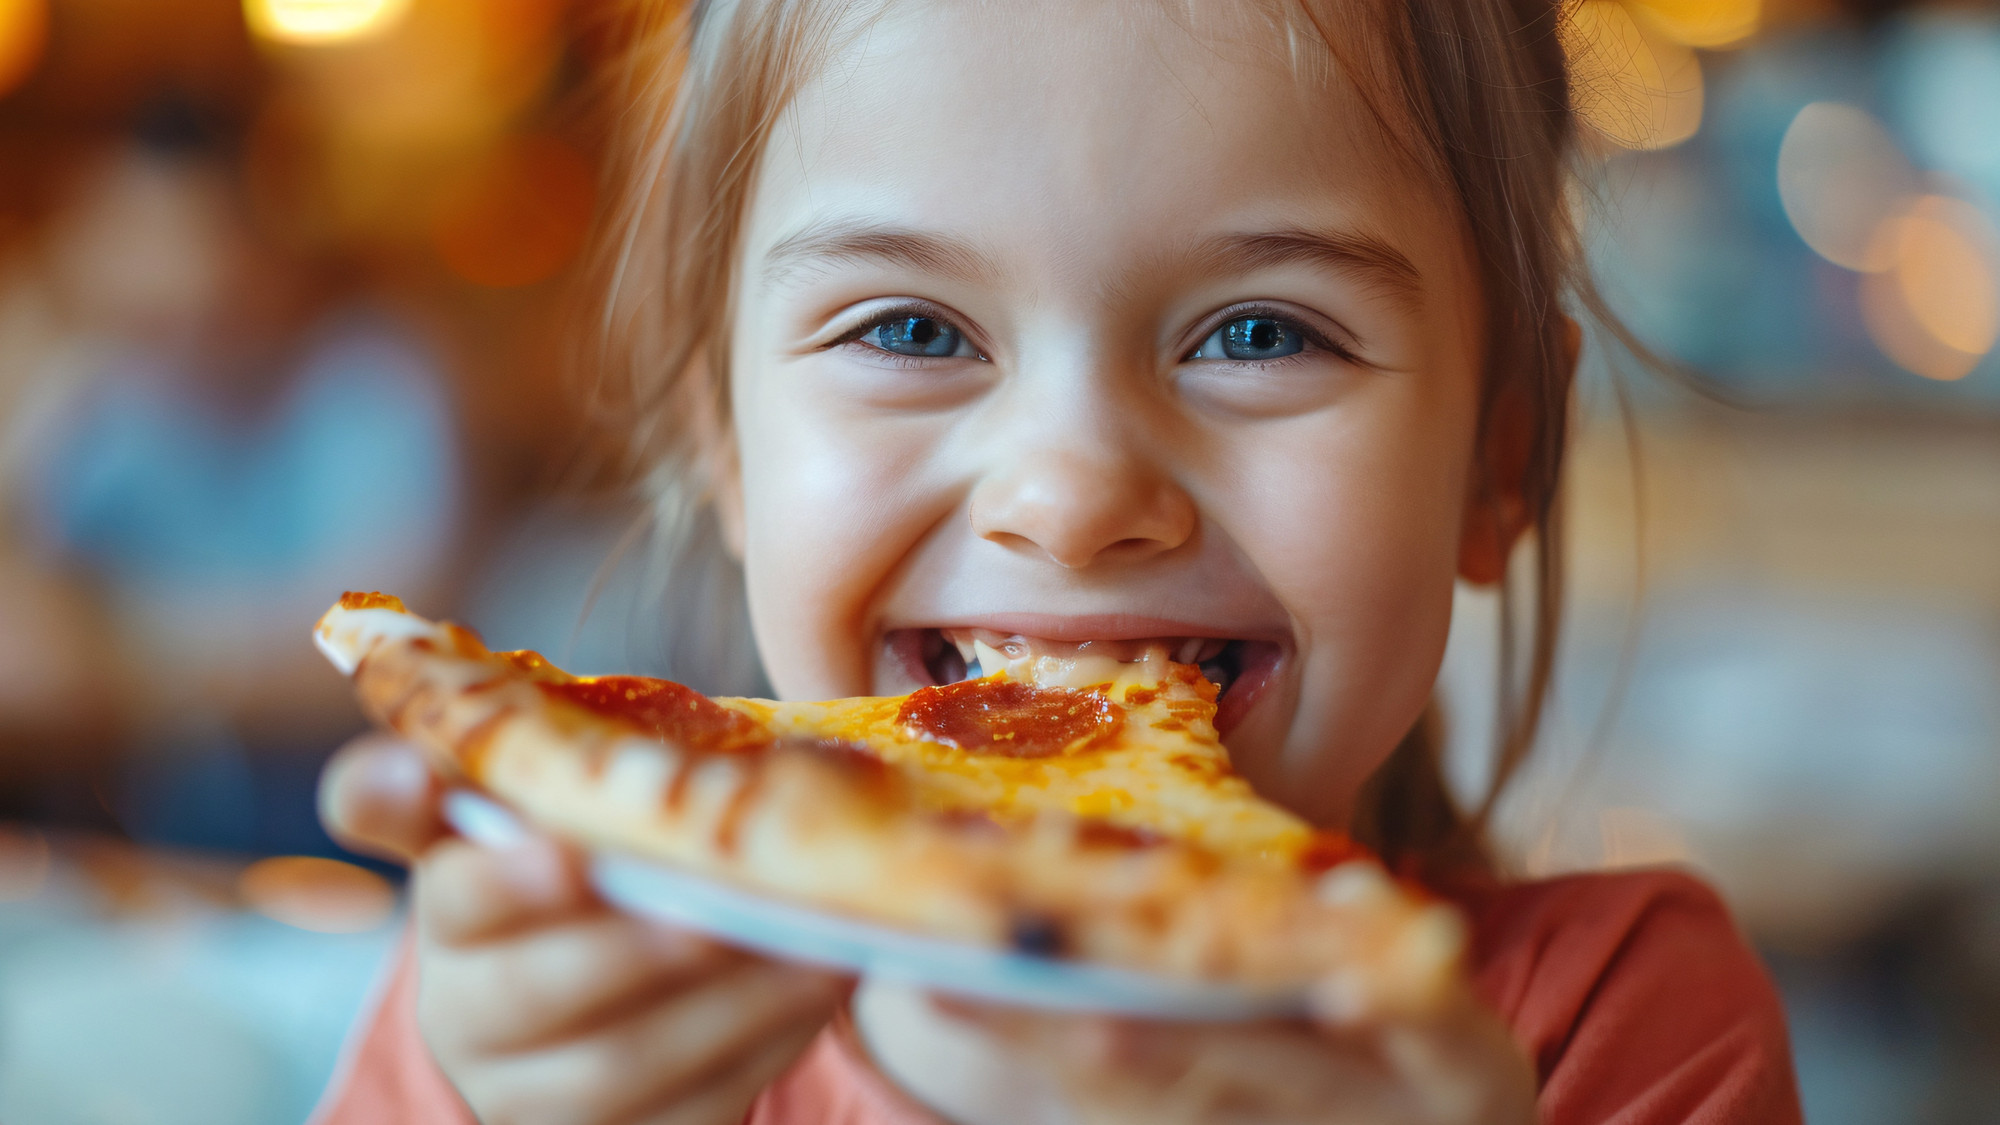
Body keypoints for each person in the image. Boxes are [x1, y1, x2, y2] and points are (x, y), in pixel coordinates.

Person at [314, 1, 1804, 1122]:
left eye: (1261, 332)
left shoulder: (1617, 1031)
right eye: (910, 329)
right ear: (725, 439)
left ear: (1499, 457)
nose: (1074, 496)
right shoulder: (535, 1022)